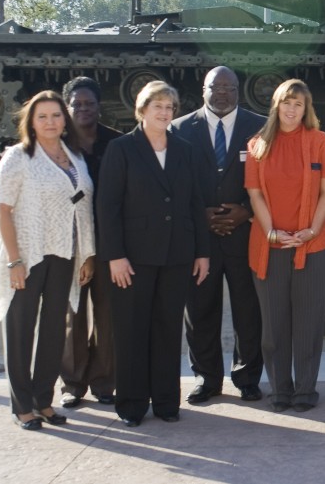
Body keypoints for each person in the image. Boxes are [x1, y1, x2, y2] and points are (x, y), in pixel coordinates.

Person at [97, 81, 211, 427]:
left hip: (177, 255)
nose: (164, 112)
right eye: (157, 106)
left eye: (169, 107)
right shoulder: (121, 149)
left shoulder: (185, 150)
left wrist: (202, 252)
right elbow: (107, 207)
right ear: (141, 110)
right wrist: (115, 255)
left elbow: (195, 203)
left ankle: (165, 402)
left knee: (167, 330)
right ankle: (131, 405)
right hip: (133, 259)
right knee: (132, 332)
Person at [0, 90, 96, 430]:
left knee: (53, 333)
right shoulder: (18, 157)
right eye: (42, 116)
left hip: (64, 254)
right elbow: (2, 210)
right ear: (31, 122)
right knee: (20, 331)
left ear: (65, 120)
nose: (50, 122)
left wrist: (86, 255)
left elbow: (83, 209)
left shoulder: (74, 157)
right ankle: (22, 406)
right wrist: (14, 261)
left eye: (56, 115)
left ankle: (43, 400)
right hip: (27, 255)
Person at [173, 66, 266, 404]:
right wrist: (199, 215)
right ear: (204, 90)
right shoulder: (180, 129)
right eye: (216, 87)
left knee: (249, 311)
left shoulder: (260, 126)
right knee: (200, 311)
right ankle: (206, 378)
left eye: (230, 87)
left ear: (238, 90)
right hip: (201, 240)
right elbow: (173, 183)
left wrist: (247, 210)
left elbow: (271, 179)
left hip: (246, 235)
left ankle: (248, 378)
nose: (223, 93)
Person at [246, 79, 325, 413]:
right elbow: (255, 194)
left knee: (308, 323)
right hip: (269, 245)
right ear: (276, 105)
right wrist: (271, 233)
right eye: (286, 102)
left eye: (298, 104)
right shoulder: (257, 145)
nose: (291, 109)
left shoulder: (320, 142)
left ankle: (305, 390)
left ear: (306, 109)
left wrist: (312, 230)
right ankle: (280, 389)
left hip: (312, 245)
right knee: (274, 325)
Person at [58, 77, 122, 409]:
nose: (83, 109)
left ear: (99, 107)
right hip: (70, 242)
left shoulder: (117, 143)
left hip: (108, 241)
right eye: (77, 104)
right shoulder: (56, 145)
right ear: (67, 107)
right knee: (73, 312)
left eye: (90, 103)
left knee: (108, 315)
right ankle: (72, 383)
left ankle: (104, 381)